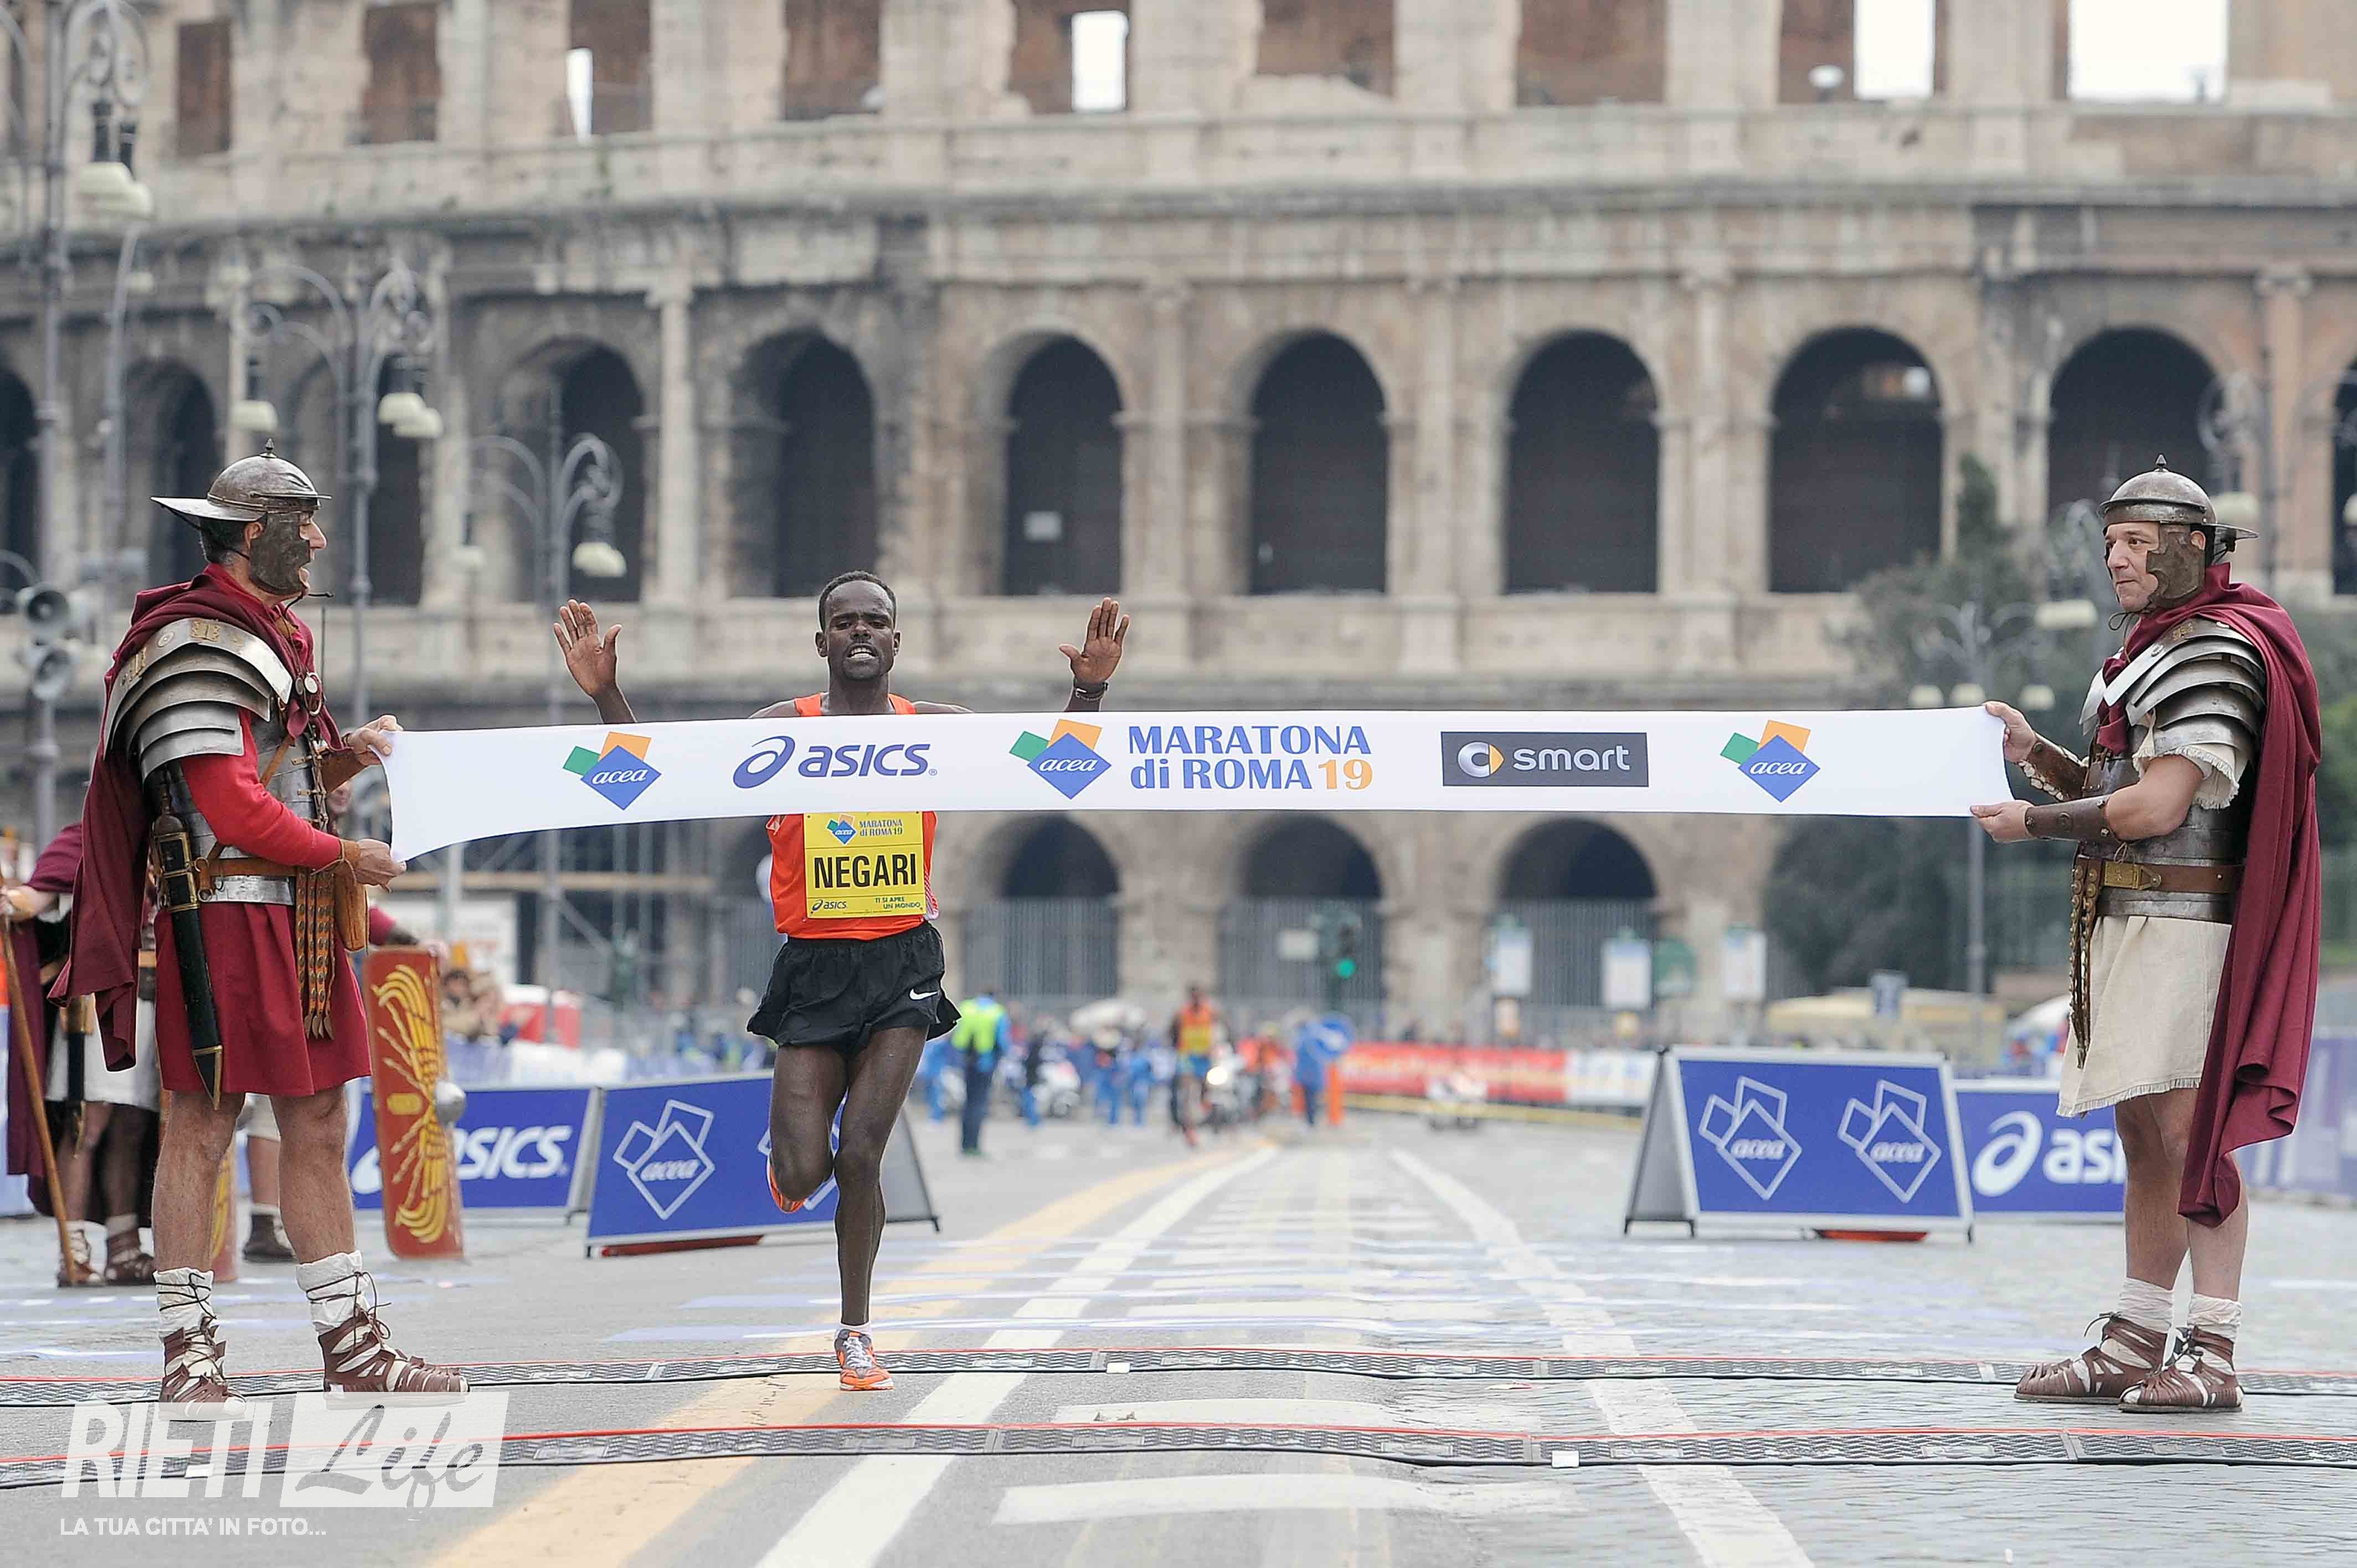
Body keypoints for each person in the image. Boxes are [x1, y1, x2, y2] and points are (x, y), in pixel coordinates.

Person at [554, 574, 1127, 1391]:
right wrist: (608, 696)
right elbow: (665, 781)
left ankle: (855, 1331)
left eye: (878, 621)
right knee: (799, 1174)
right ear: (821, 643)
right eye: (844, 622)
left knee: (863, 1154)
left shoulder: (938, 729)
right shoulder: (780, 729)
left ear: (898, 641)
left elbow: (1054, 772)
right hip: (813, 968)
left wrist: (1088, 689)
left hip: (904, 962)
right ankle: (795, 1170)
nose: (862, 632)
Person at [63, 445, 465, 1411]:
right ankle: (188, 1352)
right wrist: (348, 857)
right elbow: (232, 813)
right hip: (228, 919)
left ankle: (353, 1344)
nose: (321, 540)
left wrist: (353, 759)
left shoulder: (267, 636)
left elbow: (281, 782)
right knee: (202, 1123)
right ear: (255, 535)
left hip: (293, 917)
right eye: (305, 524)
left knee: (320, 1121)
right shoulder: (199, 640)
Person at [1973, 458, 2319, 1414]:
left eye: (2134, 541)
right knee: (2143, 1132)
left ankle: (2213, 1347)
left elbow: (2159, 802)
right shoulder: (2144, 652)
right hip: (2124, 922)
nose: (2115, 559)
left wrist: (2030, 824)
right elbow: (2106, 780)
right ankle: (2133, 1335)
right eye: (2111, 541)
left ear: (2190, 547)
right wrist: (2032, 753)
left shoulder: (2214, 648)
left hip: (2189, 928)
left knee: (2189, 1132)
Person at [4, 823, 161, 1286]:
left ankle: (124, 1245)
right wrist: (15, 902)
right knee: (87, 1123)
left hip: (155, 1001)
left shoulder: (174, 837)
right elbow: (41, 896)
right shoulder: (88, 839)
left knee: (135, 1125)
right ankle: (74, 1250)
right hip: (96, 1003)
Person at [951, 989, 1009, 1156]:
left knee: (968, 1103)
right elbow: (1003, 1042)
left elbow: (957, 1035)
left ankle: (964, 1144)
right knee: (979, 1104)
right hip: (985, 1063)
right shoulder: (997, 1012)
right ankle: (974, 1146)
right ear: (993, 997)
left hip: (966, 1060)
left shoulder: (967, 1008)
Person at [1170, 984, 1219, 1148]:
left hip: (1206, 1058)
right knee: (1189, 1095)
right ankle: (1190, 1131)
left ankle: (1210, 1118)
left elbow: (1221, 1031)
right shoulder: (1181, 1014)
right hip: (1188, 1058)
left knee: (1208, 1090)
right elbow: (1172, 1034)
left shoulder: (1211, 1013)